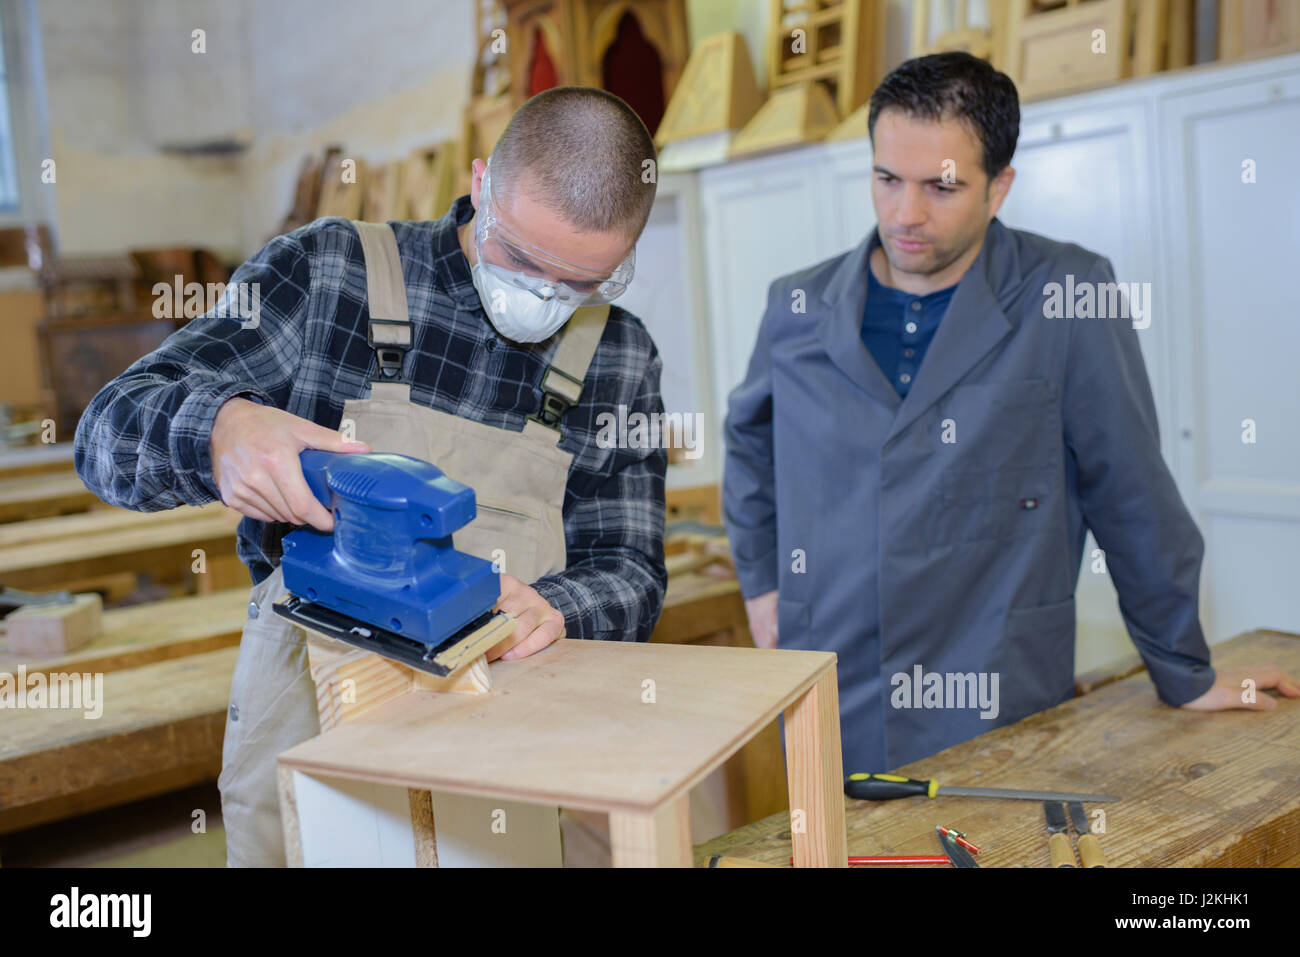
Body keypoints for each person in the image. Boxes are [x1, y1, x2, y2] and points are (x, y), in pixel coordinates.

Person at [75, 86, 668, 866]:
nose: (541, 298)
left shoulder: (620, 355)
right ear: (481, 184)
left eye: (582, 284)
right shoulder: (329, 274)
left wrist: (554, 609)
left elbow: (631, 569)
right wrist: (221, 428)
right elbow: (105, 432)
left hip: (503, 746)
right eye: (520, 259)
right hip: (312, 720)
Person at [723, 52, 1299, 776]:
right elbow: (748, 448)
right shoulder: (795, 306)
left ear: (1000, 188)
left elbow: (1128, 486)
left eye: (942, 186)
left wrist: (1184, 668)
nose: (906, 213)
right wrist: (765, 584)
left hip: (996, 689)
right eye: (886, 179)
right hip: (834, 689)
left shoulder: (1066, 292)